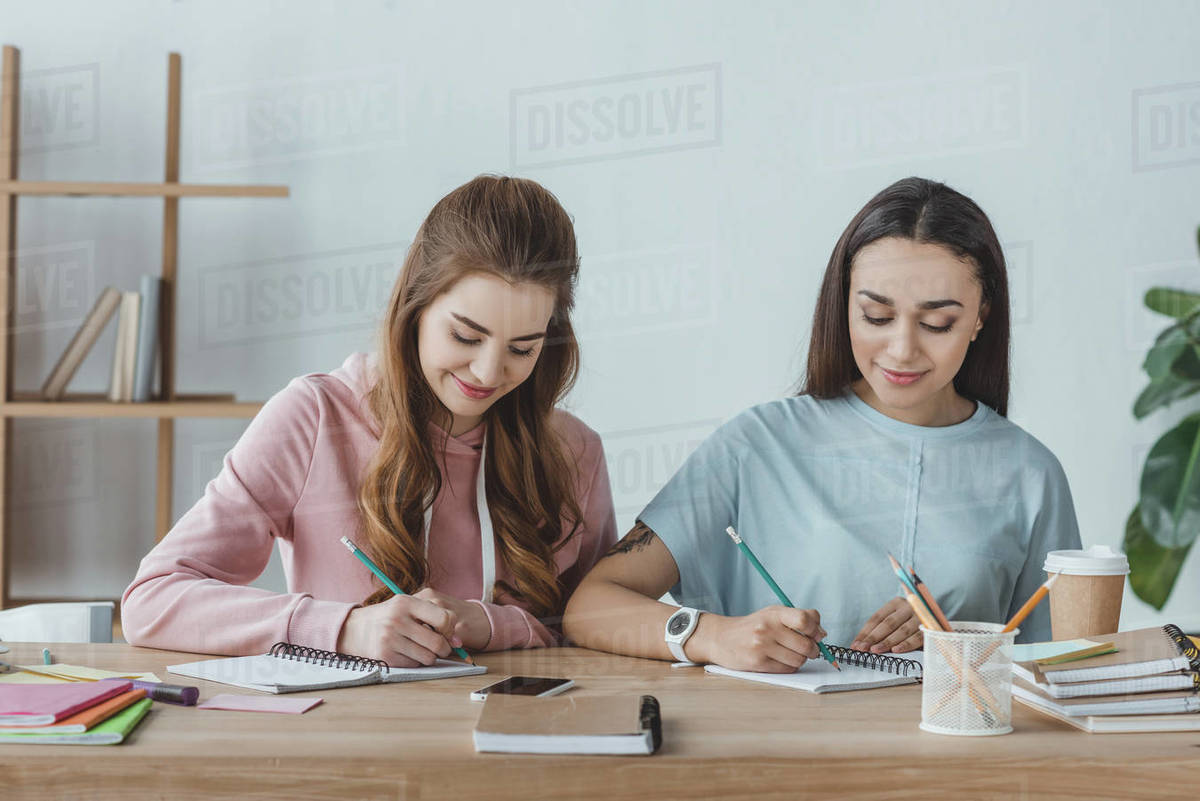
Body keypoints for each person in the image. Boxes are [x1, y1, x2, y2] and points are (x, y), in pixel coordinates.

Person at [563, 176, 1081, 672]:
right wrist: (717, 637)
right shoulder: (757, 445)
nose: (902, 350)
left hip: (956, 761)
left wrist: (963, 645)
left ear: (981, 316)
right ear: (844, 304)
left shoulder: (1030, 474)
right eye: (876, 316)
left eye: (936, 323)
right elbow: (591, 607)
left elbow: (1062, 668)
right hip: (781, 755)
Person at [122, 176, 617, 666]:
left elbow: (601, 625)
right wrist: (341, 628)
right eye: (466, 337)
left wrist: (491, 624)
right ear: (415, 307)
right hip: (351, 735)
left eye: (521, 348)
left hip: (520, 737)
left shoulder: (575, 452)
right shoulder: (314, 418)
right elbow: (152, 601)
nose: (488, 372)